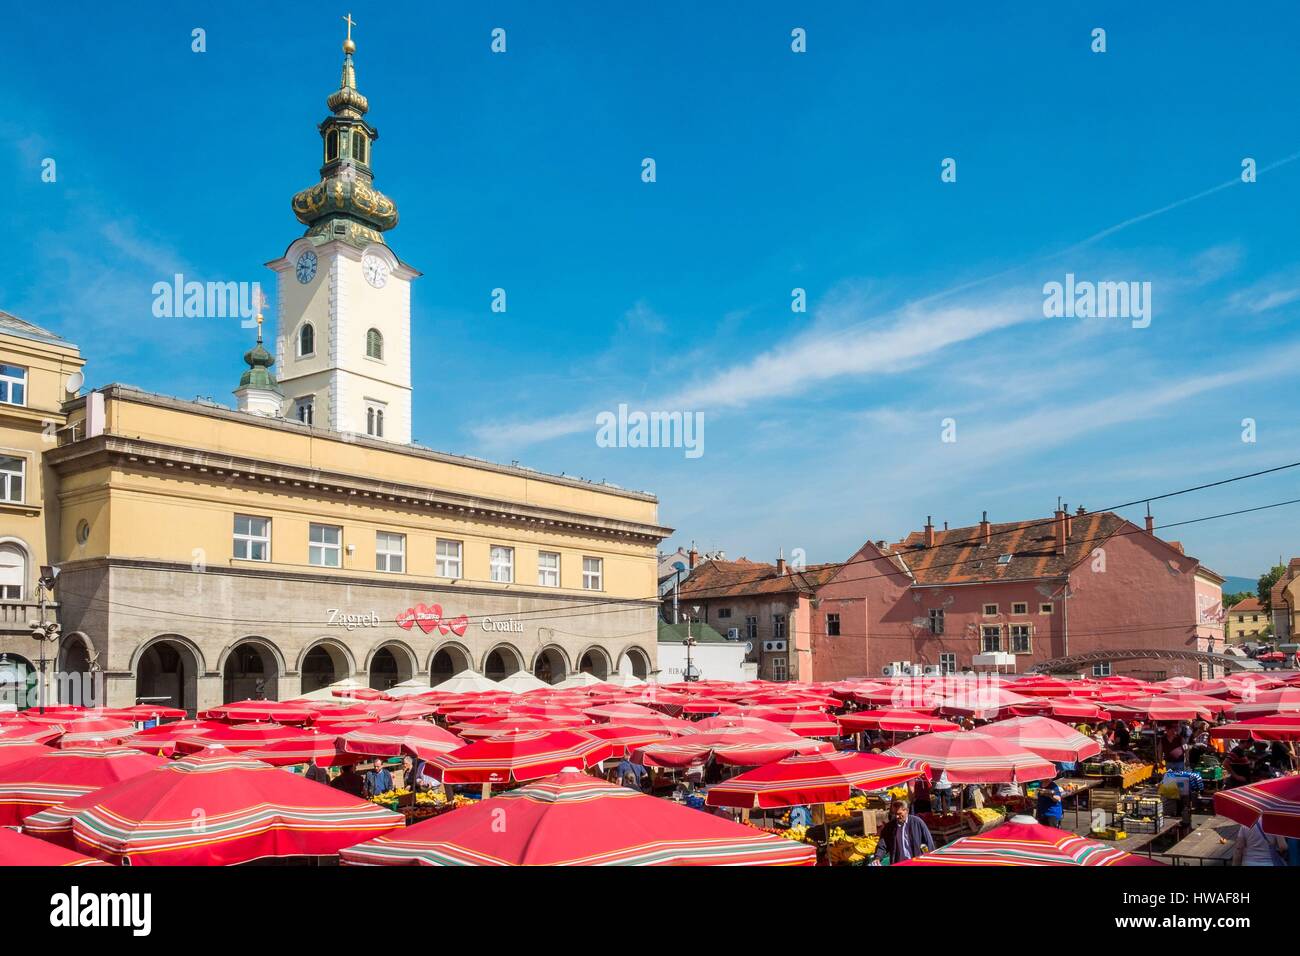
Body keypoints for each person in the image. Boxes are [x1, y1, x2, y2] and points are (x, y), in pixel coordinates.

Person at [869, 798, 935, 865]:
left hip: (915, 862)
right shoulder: (890, 826)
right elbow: (882, 844)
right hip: (899, 863)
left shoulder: (917, 823)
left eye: (899, 814)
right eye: (895, 814)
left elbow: (929, 842)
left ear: (907, 811)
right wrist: (877, 857)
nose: (897, 817)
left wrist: (929, 860)